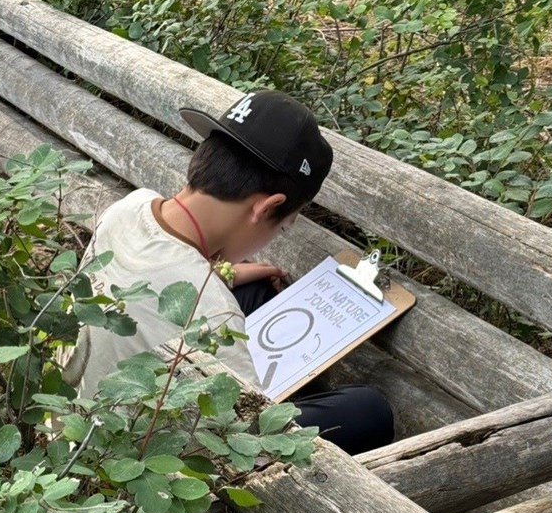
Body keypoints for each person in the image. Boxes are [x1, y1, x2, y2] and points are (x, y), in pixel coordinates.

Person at [63, 89, 395, 455]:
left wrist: (232, 274)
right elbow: (248, 444)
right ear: (268, 206)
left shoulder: (130, 207)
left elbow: (162, 277)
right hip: (144, 458)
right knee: (368, 411)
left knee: (258, 294)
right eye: (282, 226)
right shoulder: (214, 311)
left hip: (74, 420)